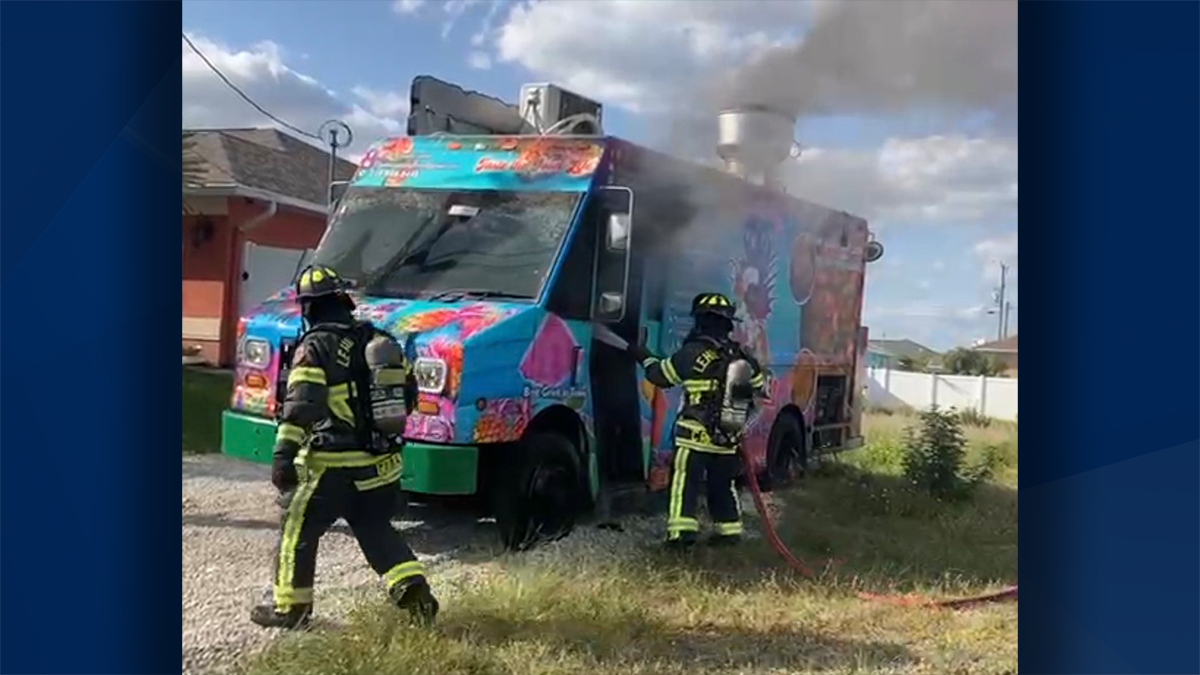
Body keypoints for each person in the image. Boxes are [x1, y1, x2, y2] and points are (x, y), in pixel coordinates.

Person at [250, 264, 438, 629]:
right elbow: (409, 396)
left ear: (307, 307)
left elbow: (302, 405)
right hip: (379, 467)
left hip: (329, 467)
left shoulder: (315, 346)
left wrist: (283, 455)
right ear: (344, 302)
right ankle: (416, 594)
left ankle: (292, 610)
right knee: (375, 528)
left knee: (298, 529)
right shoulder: (379, 341)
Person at [628, 292, 766, 549]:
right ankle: (728, 532)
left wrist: (643, 355)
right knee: (722, 485)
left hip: (694, 436)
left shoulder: (691, 353)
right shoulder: (740, 356)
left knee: (684, 484)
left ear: (700, 321)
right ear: (727, 323)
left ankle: (681, 535)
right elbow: (759, 384)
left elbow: (660, 376)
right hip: (728, 437)